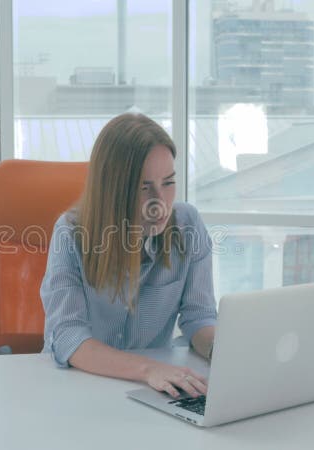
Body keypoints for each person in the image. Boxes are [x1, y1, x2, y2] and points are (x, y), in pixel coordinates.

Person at [40, 112, 217, 399]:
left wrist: (221, 349)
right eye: (144, 187)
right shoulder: (71, 233)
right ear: (112, 190)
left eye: (168, 183)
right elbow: (69, 337)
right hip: (79, 388)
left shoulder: (188, 226)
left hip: (154, 391)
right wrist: (148, 370)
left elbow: (199, 316)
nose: (160, 202)